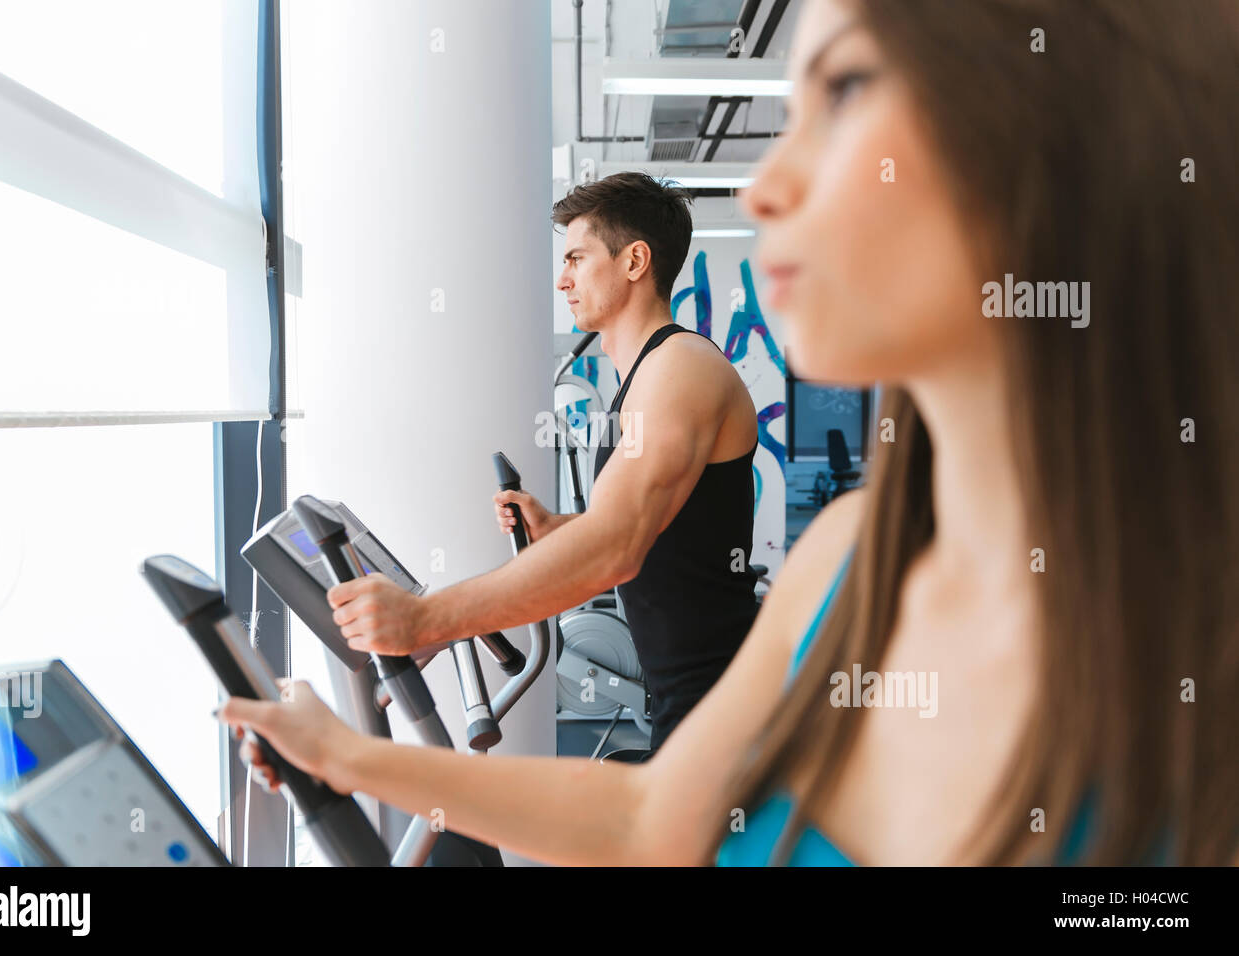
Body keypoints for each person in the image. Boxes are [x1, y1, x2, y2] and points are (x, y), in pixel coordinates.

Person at [220, 0, 1238, 865]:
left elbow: (620, 542)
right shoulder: (850, 556)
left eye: (840, 97)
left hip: (691, 668)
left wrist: (424, 618)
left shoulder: (1185, 651)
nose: (762, 186)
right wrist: (348, 757)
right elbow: (651, 815)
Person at [316, 171, 761, 753]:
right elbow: (653, 525)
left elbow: (615, 548)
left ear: (634, 261)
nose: (562, 280)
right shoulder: (648, 376)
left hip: (722, 709)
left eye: (577, 259)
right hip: (689, 697)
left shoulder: (680, 369)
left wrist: (424, 622)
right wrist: (558, 530)